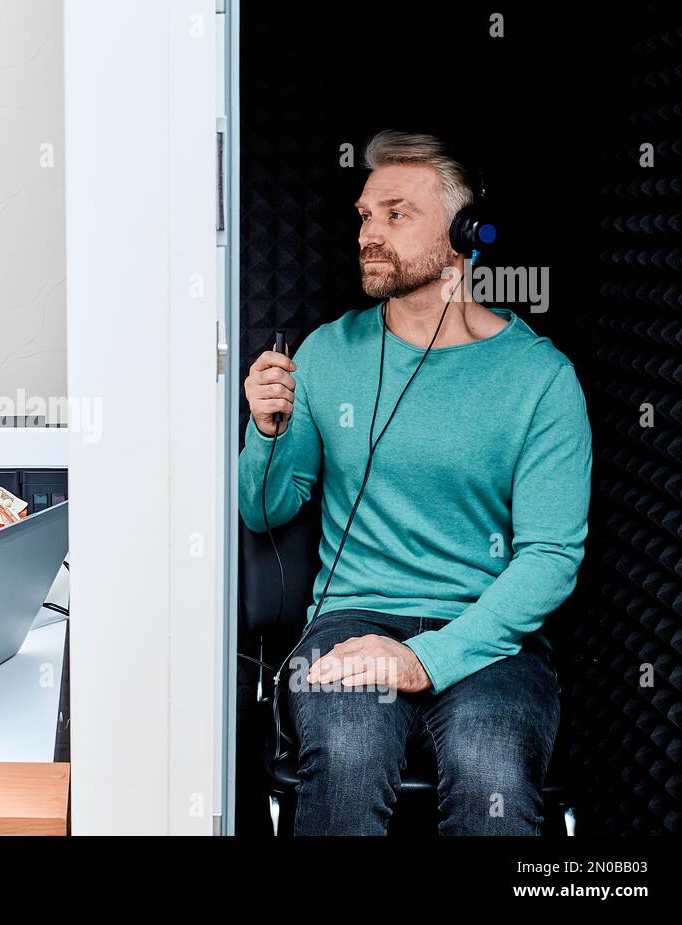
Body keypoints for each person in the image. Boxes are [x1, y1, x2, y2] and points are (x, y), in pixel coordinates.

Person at [239, 130, 592, 834]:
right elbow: (264, 507)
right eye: (366, 215)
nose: (371, 233)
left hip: (493, 635)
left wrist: (423, 658)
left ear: (466, 233)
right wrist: (267, 429)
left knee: (490, 767)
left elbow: (551, 556)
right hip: (351, 620)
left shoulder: (540, 378)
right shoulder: (327, 352)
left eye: (397, 214)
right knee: (345, 753)